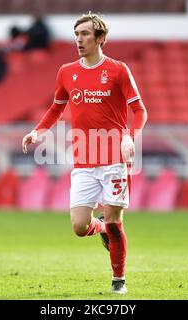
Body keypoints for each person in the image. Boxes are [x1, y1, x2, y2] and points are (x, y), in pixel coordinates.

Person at [22, 13, 147, 294]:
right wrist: (38, 131)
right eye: (76, 34)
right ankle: (99, 228)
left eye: (86, 34)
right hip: (83, 160)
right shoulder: (66, 72)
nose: (79, 39)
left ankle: (119, 280)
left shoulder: (118, 70)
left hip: (114, 158)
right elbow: (56, 108)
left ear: (100, 38)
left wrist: (129, 136)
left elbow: (140, 111)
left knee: (116, 222)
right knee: (79, 226)